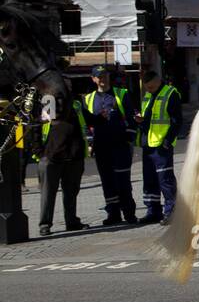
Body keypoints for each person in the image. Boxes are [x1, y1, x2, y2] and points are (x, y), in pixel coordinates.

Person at [83, 63, 138, 225]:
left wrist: (129, 139)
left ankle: (129, 214)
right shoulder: (88, 99)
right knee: (107, 182)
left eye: (105, 76)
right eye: (99, 76)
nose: (102, 79)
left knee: (123, 182)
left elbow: (132, 118)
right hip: (101, 147)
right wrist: (90, 143)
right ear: (93, 79)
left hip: (120, 146)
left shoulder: (122, 94)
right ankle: (113, 214)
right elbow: (86, 124)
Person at [36, 93, 88, 237]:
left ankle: (72, 222)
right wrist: (39, 151)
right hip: (52, 155)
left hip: (74, 155)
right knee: (48, 193)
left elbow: (88, 119)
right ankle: (45, 224)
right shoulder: (49, 101)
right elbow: (37, 124)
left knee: (71, 192)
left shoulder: (76, 103)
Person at [137, 71, 182, 225]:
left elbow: (177, 122)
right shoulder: (148, 96)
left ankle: (171, 211)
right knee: (149, 180)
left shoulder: (171, 93)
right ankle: (153, 211)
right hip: (148, 145)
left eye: (150, 87)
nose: (148, 90)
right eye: (146, 88)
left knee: (165, 180)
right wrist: (140, 120)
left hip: (162, 146)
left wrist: (167, 142)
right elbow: (149, 119)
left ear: (158, 81)